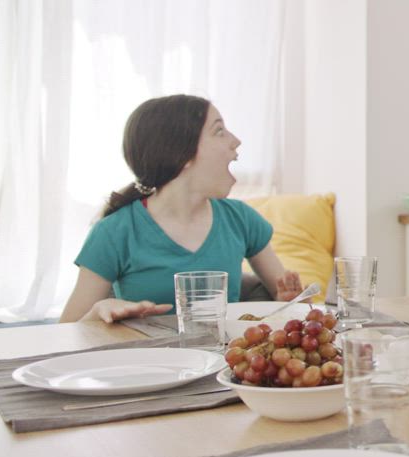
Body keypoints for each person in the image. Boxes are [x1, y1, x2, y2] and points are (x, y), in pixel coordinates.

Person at [59, 95, 302, 323]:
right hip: (147, 364)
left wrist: (285, 304)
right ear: (181, 154)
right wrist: (97, 312)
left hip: (222, 363)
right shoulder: (114, 232)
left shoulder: (241, 218)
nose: (235, 141)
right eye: (219, 131)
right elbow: (64, 336)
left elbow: (290, 303)